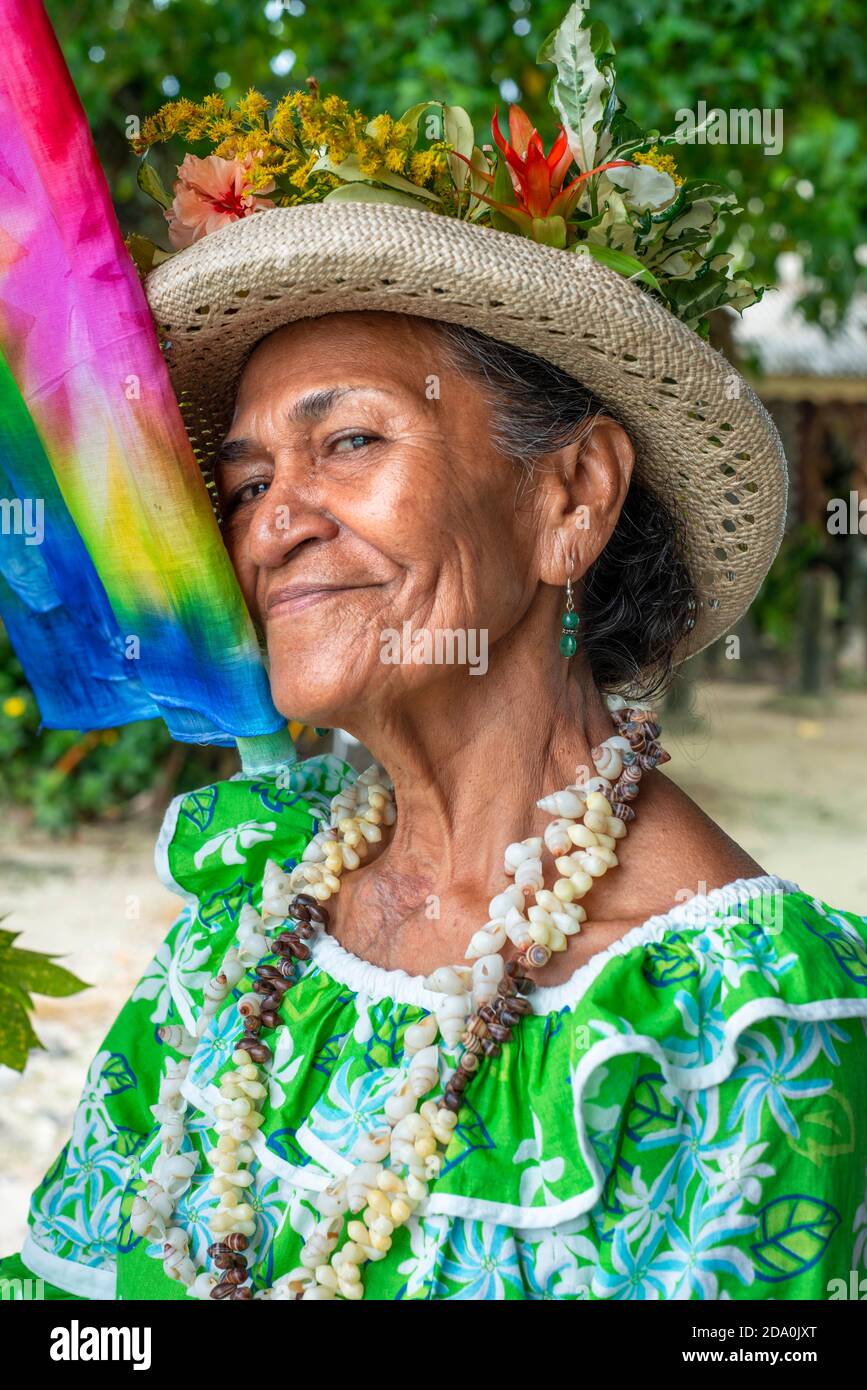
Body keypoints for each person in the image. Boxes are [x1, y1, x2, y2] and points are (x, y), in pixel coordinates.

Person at [2, 2, 866, 1302]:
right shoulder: (244, 919)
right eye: (241, 485)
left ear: (569, 495)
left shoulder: (749, 1031)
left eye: (347, 440)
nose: (272, 520)